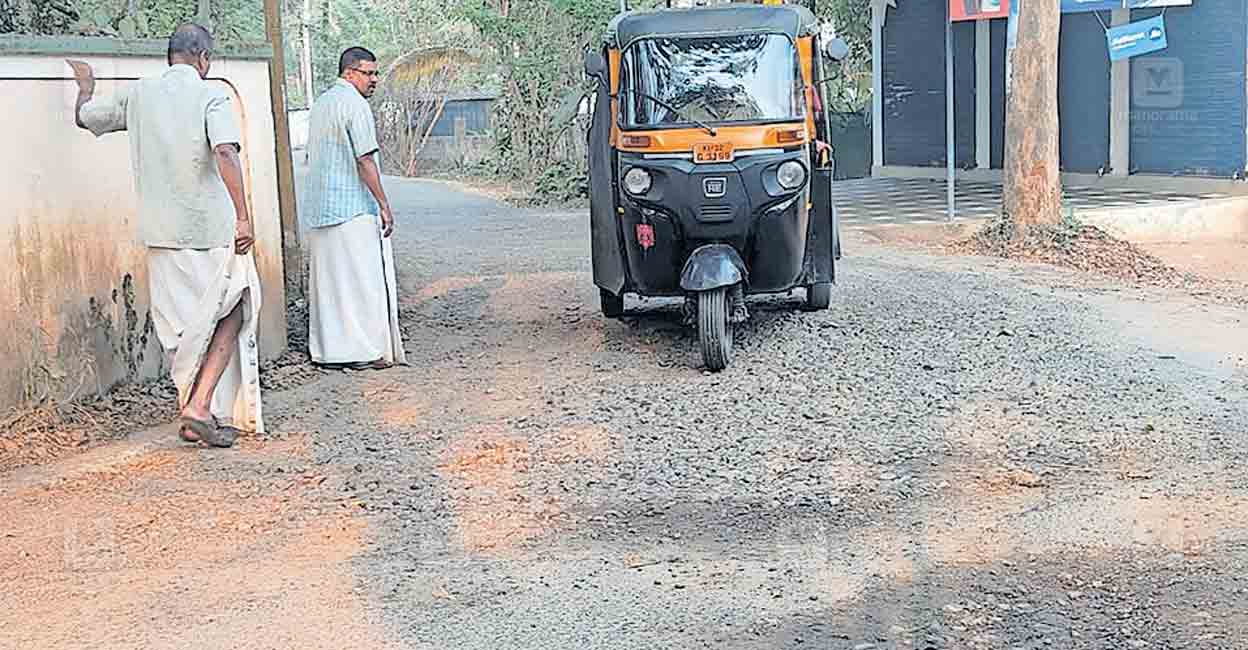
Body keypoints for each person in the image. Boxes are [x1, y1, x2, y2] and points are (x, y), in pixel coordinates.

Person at [67, 23, 263, 448]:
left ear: (168, 56)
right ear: (204, 59)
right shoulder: (212, 94)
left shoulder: (140, 93)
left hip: (159, 232)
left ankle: (199, 408)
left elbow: (85, 119)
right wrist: (244, 217)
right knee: (233, 308)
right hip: (208, 229)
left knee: (181, 326)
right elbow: (225, 150)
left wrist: (85, 86)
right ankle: (200, 405)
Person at [300, 46, 406, 370]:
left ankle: (330, 352)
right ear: (349, 72)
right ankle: (365, 350)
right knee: (362, 282)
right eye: (368, 73)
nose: (374, 79)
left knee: (330, 287)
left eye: (375, 73)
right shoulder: (355, 105)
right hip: (353, 209)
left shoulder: (321, 104)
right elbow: (364, 159)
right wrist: (383, 203)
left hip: (321, 210)